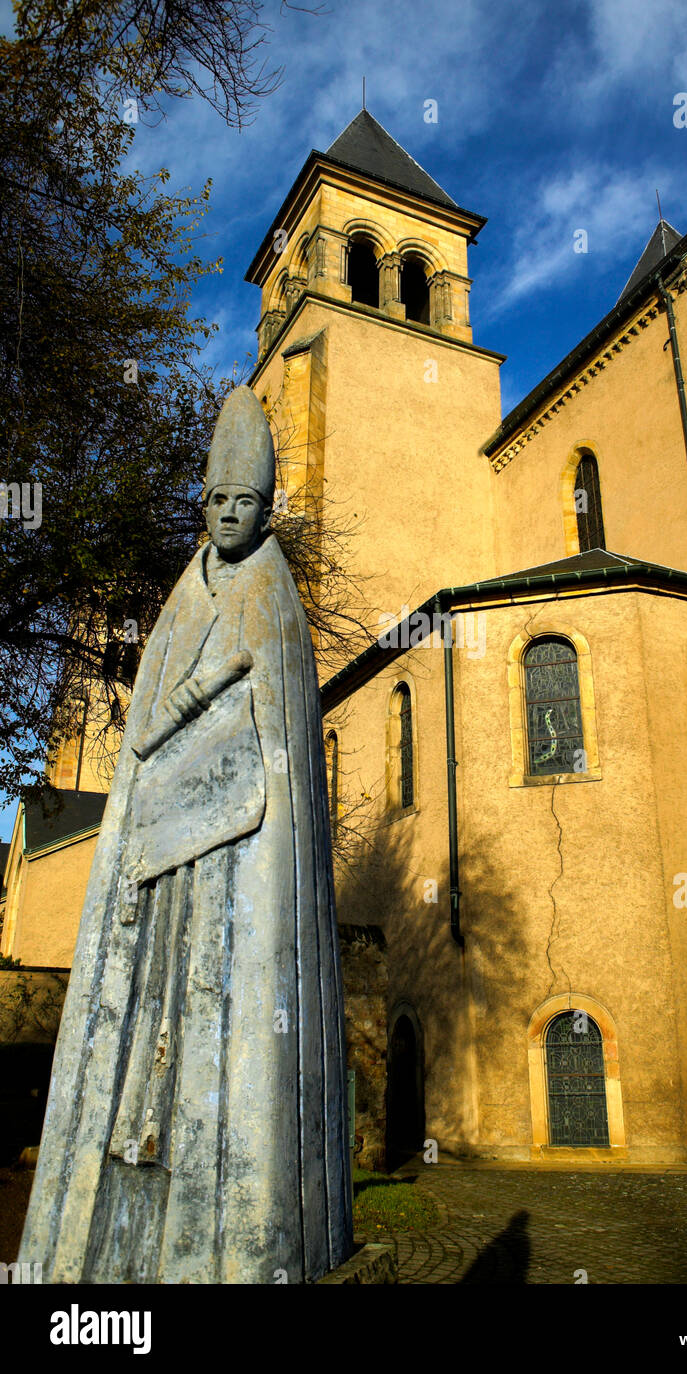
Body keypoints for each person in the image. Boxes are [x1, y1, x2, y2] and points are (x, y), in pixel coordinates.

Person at [19, 386, 352, 1283]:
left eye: (248, 502)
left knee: (225, 1010)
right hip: (162, 851)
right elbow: (143, 729)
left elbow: (278, 728)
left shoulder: (273, 590)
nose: (234, 515)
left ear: (266, 508)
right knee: (151, 1016)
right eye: (220, 501)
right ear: (203, 506)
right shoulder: (182, 590)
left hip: (239, 860)